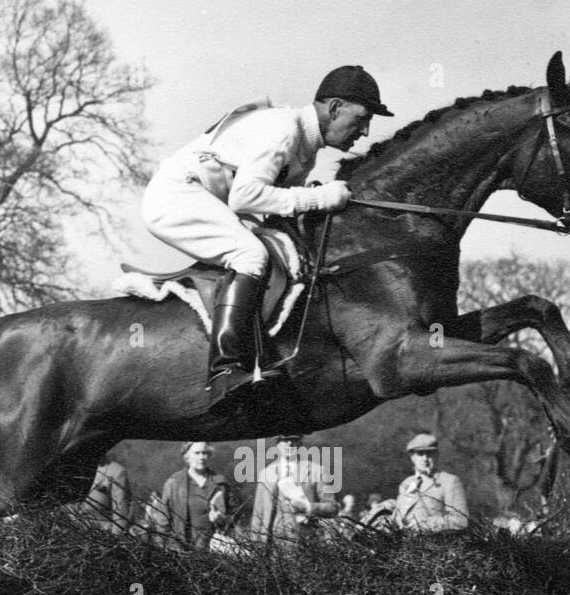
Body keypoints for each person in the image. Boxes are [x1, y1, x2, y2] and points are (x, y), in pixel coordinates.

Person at [141, 66, 392, 414]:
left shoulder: (305, 146)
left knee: (275, 252)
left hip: (202, 196)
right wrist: (318, 199)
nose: (364, 132)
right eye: (361, 118)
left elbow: (272, 204)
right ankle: (225, 370)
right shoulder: (284, 129)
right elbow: (245, 197)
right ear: (334, 108)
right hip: (177, 194)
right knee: (250, 256)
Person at [248, 435, 339, 545]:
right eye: (285, 440)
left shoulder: (317, 471)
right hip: (273, 542)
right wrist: (255, 543)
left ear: (300, 443)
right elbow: (258, 513)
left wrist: (307, 507)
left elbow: (332, 507)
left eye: (294, 440)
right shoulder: (266, 473)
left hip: (306, 541)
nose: (290, 443)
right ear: (277, 444)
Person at [149, 441, 230, 552]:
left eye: (205, 453)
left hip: (213, 549)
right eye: (197, 453)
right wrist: (162, 547)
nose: (201, 457)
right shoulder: (174, 483)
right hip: (181, 549)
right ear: (187, 456)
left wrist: (221, 519)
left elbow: (233, 517)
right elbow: (163, 520)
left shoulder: (220, 483)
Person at [394, 433, 469, 533]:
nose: (425, 459)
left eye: (429, 454)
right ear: (412, 457)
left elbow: (461, 520)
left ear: (436, 455)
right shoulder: (406, 483)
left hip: (434, 543)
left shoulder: (449, 481)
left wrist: (425, 524)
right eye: (420, 454)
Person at [66, 454, 133, 535]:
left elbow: (121, 515)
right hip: (67, 535)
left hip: (100, 536)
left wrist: (113, 540)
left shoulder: (116, 471)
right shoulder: (69, 467)